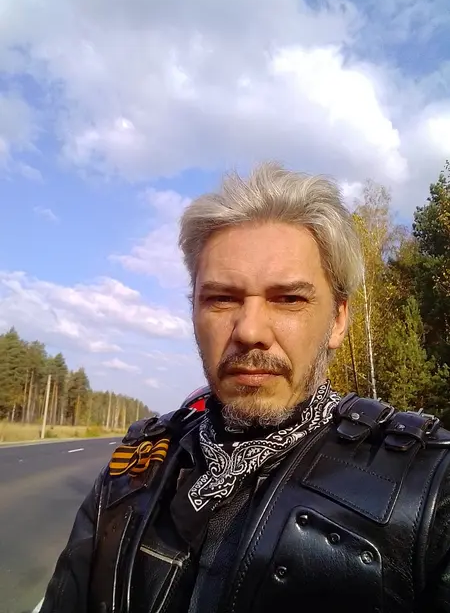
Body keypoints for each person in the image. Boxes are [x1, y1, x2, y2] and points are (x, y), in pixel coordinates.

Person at [41, 163, 450, 613]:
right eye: (221, 298)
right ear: (193, 311)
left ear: (337, 320)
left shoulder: (428, 488)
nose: (250, 331)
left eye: (288, 299)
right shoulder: (135, 467)